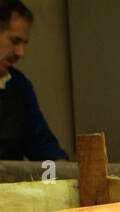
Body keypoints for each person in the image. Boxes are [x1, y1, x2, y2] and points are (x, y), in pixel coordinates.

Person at [0, 1, 67, 162]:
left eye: (24, 44)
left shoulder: (19, 84)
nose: (20, 53)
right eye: (14, 41)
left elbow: (43, 147)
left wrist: (55, 181)